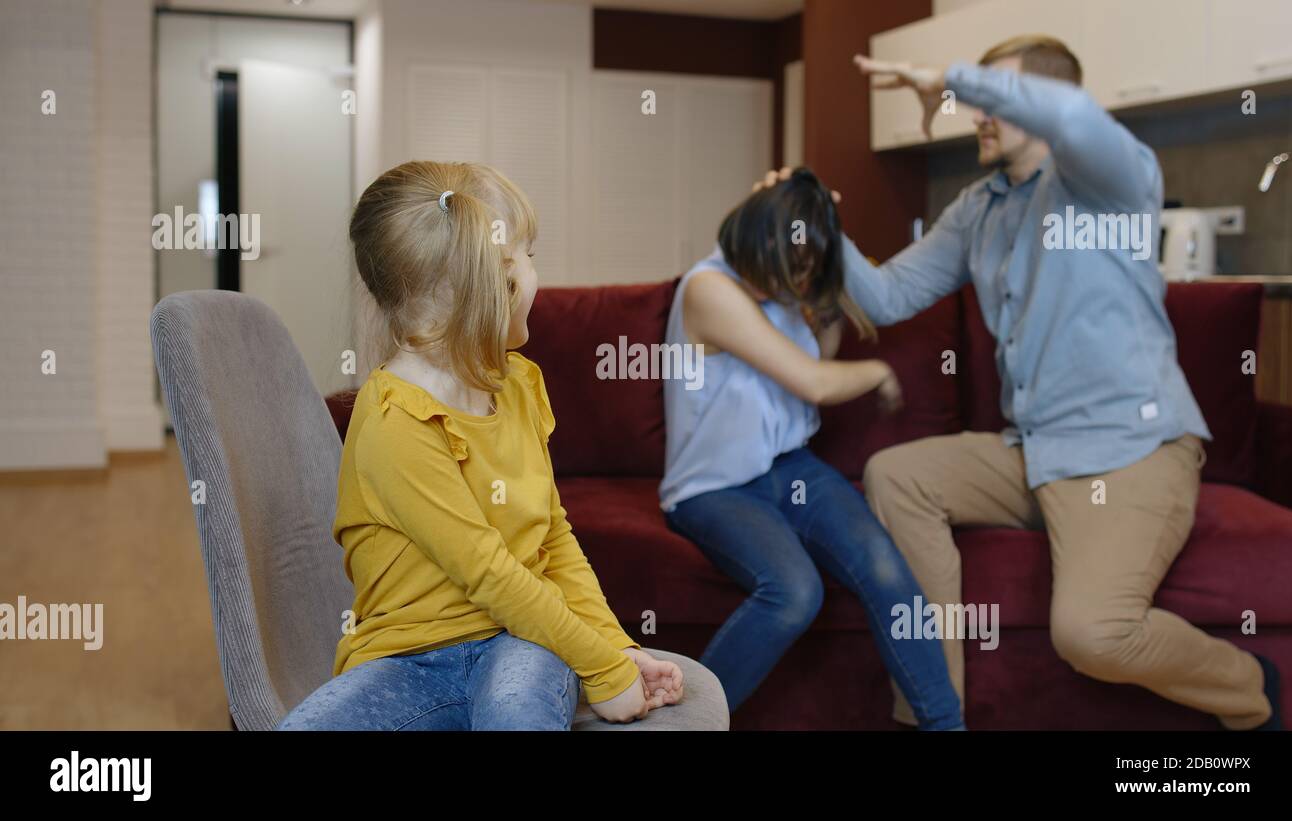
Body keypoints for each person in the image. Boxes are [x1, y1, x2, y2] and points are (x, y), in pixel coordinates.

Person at [841, 34, 1280, 729]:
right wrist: (809, 220)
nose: (976, 113)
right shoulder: (977, 209)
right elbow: (888, 294)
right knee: (896, 474)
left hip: (1131, 450)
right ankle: (936, 712)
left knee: (1090, 633)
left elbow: (1075, 120)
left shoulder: (1108, 179)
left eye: (996, 96)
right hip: (1033, 447)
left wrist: (952, 78)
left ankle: (1250, 684)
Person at [278, 160, 683, 730]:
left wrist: (615, 653)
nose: (538, 274)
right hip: (406, 660)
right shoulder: (397, 421)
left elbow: (554, 537)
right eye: (529, 256)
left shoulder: (520, 387)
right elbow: (488, 572)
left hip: (523, 637)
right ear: (493, 283)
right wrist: (605, 670)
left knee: (517, 713)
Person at [658, 167, 965, 730]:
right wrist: (877, 370)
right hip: (714, 488)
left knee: (886, 568)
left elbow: (814, 357)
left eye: (805, 274)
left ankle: (947, 726)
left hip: (791, 468)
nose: (796, 284)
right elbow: (814, 384)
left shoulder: (779, 280)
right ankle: (679, 724)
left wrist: (823, 307)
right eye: (791, 272)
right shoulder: (709, 289)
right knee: (795, 592)